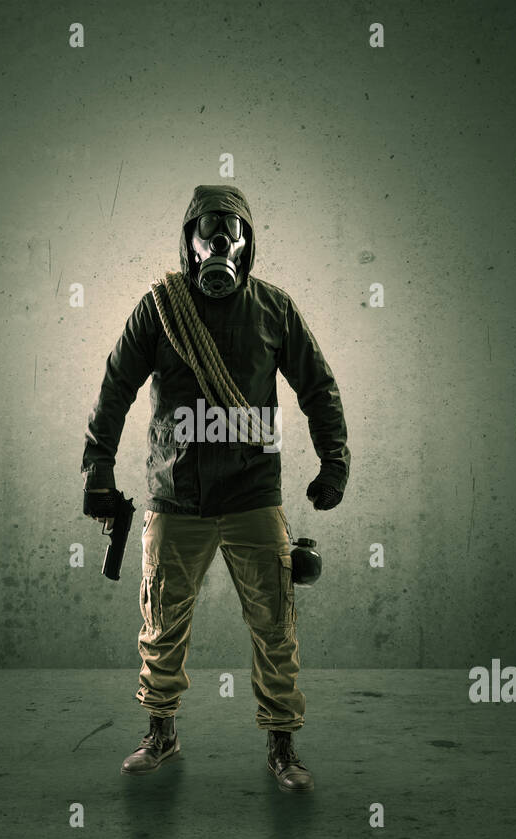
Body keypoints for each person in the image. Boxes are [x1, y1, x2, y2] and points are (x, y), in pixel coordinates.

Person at [80, 183, 350, 792]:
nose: (220, 240)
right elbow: (115, 386)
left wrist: (334, 460)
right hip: (177, 496)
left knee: (274, 622)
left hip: (253, 494)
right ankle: (161, 732)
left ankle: (282, 745)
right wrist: (98, 466)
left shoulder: (273, 309)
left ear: (248, 241)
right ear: (191, 241)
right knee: (161, 621)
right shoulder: (160, 308)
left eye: (233, 228)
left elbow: (318, 385)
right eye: (209, 229)